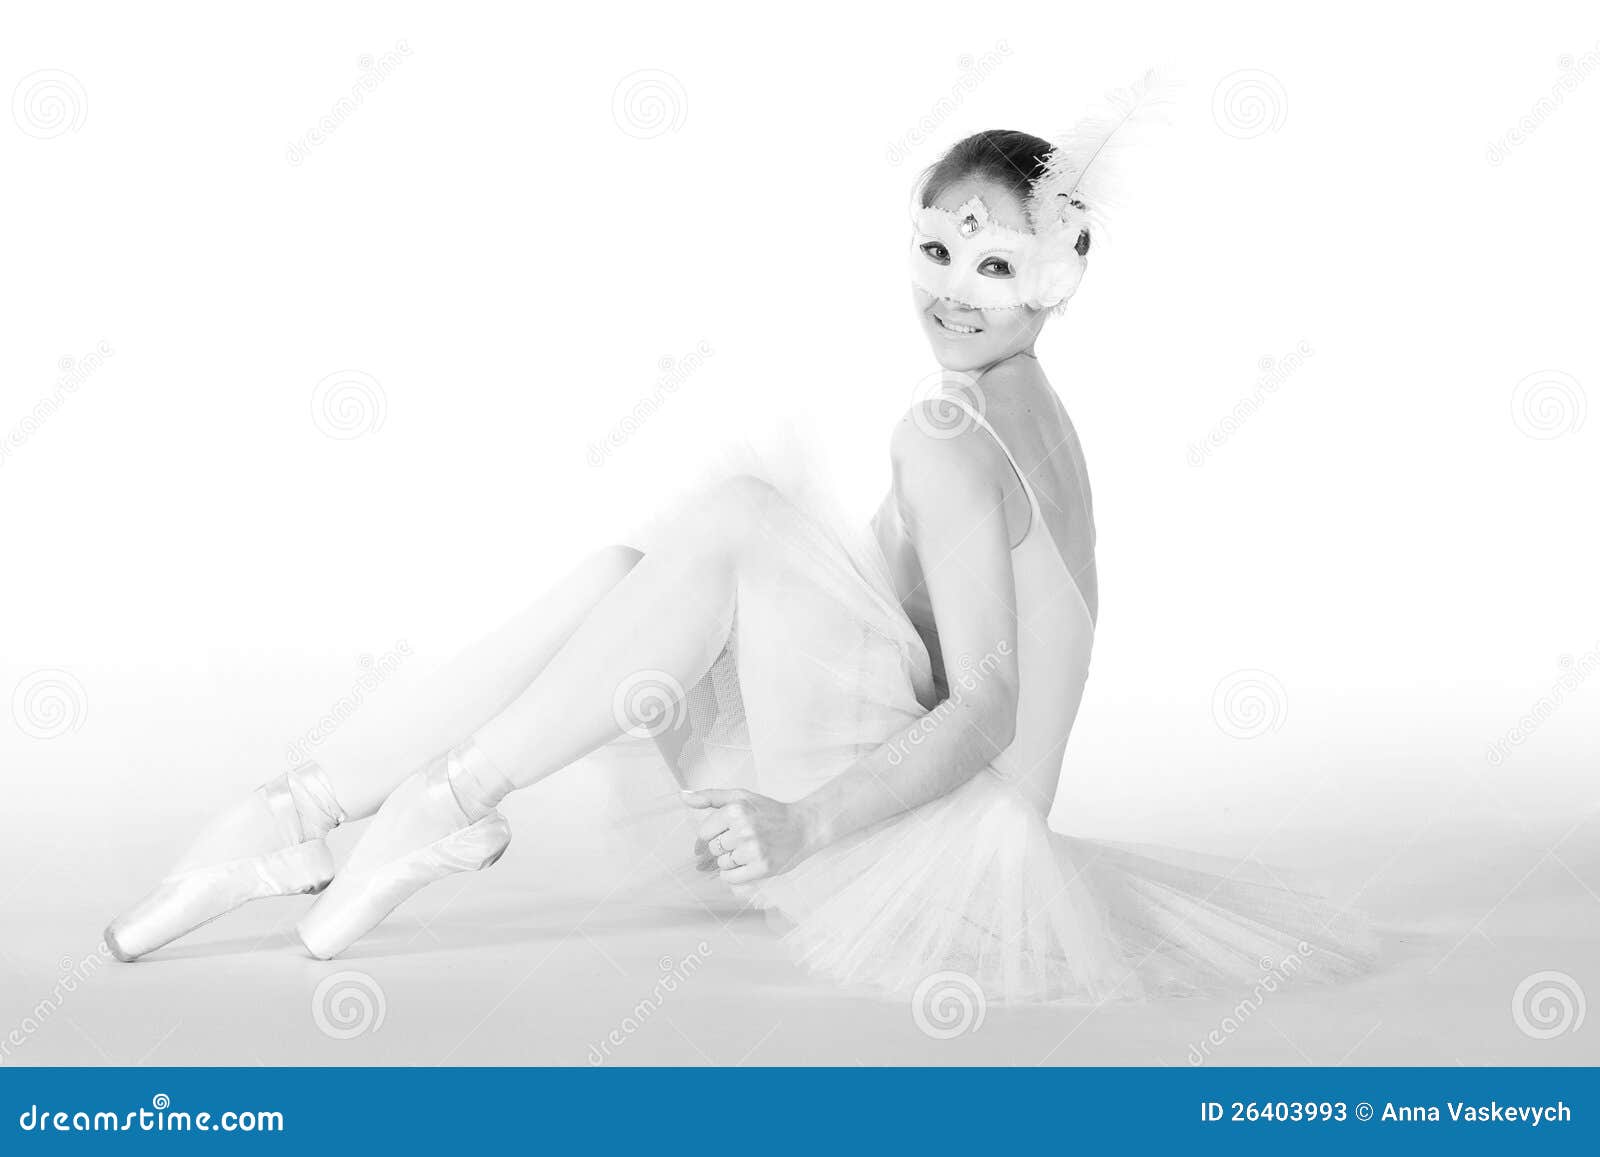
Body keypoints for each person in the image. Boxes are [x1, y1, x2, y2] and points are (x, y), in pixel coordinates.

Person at [107, 90, 1377, 1002]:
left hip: (928, 842)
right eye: (936, 248)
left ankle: (425, 804)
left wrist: (800, 826)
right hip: (932, 793)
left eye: (993, 264)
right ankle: (308, 811)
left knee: (737, 519)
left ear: (1057, 277)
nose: (950, 288)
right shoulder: (1022, 411)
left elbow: (987, 703)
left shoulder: (953, 434)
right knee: (629, 580)